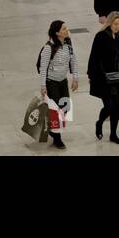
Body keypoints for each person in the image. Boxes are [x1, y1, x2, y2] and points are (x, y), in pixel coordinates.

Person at [88, 11, 119, 145]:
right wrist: (92, 75)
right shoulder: (101, 37)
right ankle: (99, 123)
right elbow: (94, 58)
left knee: (116, 108)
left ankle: (113, 134)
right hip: (104, 78)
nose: (118, 27)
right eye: (115, 24)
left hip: (118, 77)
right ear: (109, 23)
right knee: (108, 106)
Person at [37, 21, 80, 150]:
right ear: (57, 33)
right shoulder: (48, 48)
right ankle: (57, 138)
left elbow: (73, 60)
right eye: (64, 29)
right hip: (51, 83)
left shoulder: (68, 44)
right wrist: (43, 86)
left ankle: (52, 129)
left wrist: (75, 78)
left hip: (63, 82)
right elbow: (43, 68)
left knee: (65, 108)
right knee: (56, 112)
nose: (67, 30)